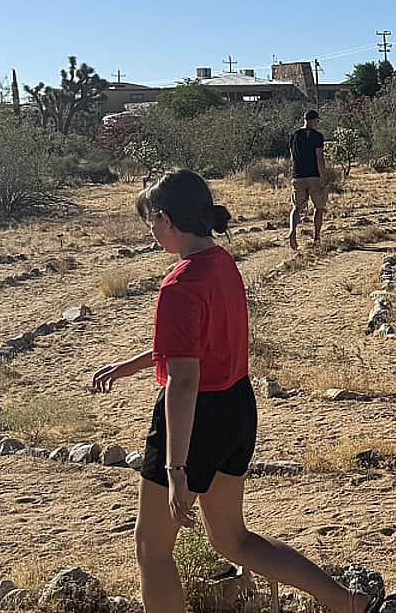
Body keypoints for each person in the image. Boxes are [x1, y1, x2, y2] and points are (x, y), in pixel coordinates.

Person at [91, 169, 368, 613]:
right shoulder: (221, 263)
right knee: (231, 539)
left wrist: (176, 468)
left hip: (194, 419)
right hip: (236, 409)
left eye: (150, 223)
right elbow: (190, 346)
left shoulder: (179, 284)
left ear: (166, 220)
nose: (150, 233)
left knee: (153, 550)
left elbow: (184, 379)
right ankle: (345, 601)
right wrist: (130, 366)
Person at [288, 109, 329, 250]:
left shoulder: (294, 135)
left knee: (296, 207)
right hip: (314, 176)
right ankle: (317, 237)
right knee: (319, 207)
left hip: (298, 175)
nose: (317, 124)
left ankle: (292, 231)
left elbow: (292, 157)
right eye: (317, 121)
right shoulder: (317, 136)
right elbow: (319, 157)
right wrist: (323, 177)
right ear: (312, 120)